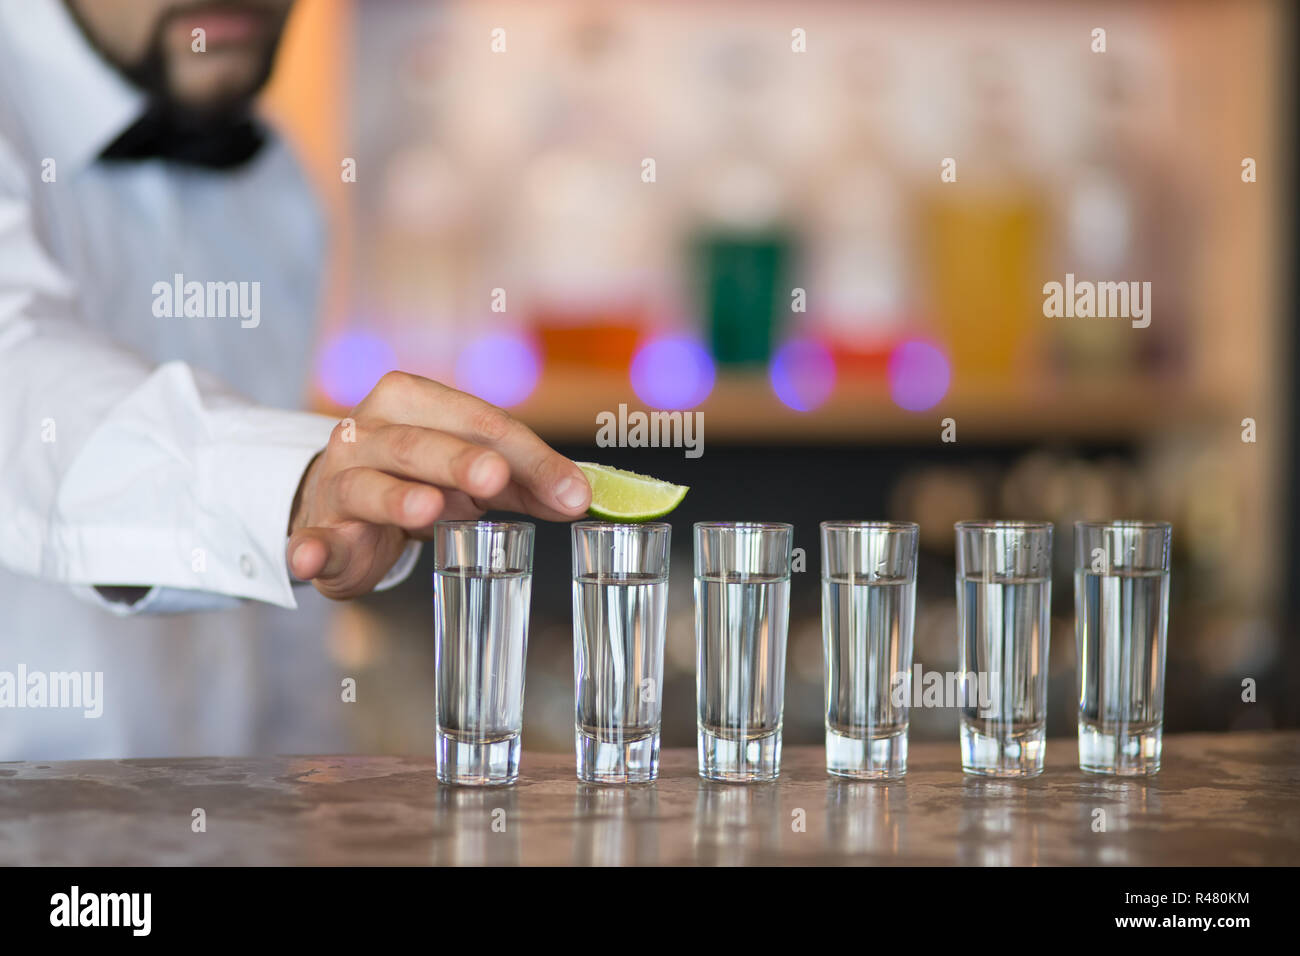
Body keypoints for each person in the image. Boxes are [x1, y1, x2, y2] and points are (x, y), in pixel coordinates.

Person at [0, 0, 590, 759]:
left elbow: (284, 636)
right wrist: (290, 479)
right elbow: (19, 373)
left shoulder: (279, 186)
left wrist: (315, 799)